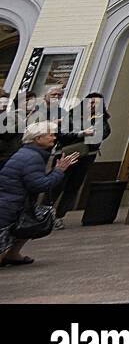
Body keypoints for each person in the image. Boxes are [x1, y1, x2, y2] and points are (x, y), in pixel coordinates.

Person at [0, 121, 78, 267]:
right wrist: (59, 171)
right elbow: (40, 185)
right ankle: (9, 254)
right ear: (37, 139)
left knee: (33, 218)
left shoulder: (28, 153)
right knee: (29, 222)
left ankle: (12, 254)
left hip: (12, 202)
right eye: (50, 135)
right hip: (11, 205)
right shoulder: (32, 157)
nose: (54, 138)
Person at [52, 91, 111, 227]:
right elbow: (61, 135)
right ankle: (45, 212)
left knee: (73, 187)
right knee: (56, 184)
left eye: (96, 103)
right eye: (90, 102)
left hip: (84, 158)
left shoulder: (101, 120)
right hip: (64, 155)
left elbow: (98, 137)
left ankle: (59, 216)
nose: (93, 106)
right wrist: (81, 133)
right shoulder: (71, 116)